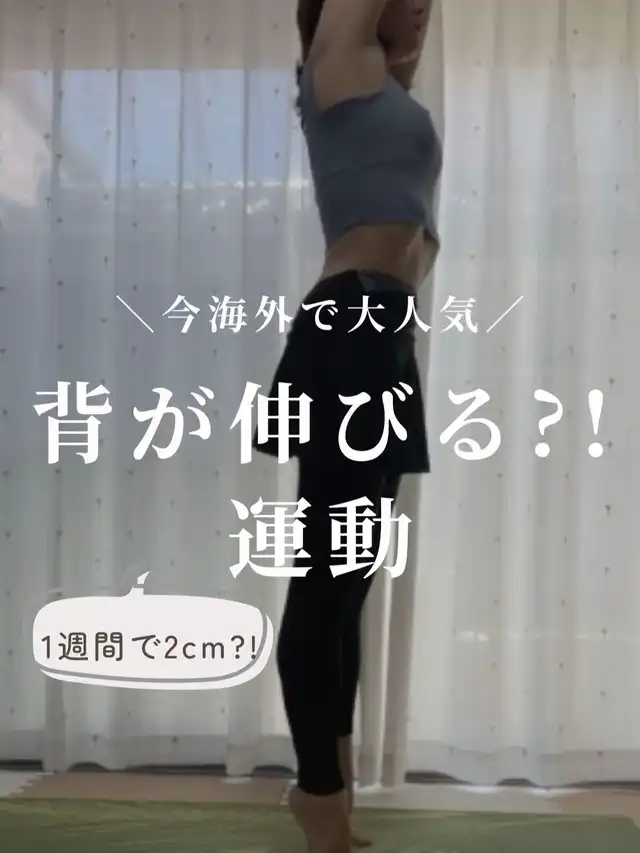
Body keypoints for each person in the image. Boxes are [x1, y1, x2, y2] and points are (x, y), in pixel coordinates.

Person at [253, 1, 442, 850]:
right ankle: (317, 796)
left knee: (353, 579)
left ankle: (333, 785)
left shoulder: (384, 91)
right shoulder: (337, 64)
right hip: (350, 325)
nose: (421, 11)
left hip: (384, 332)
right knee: (326, 578)